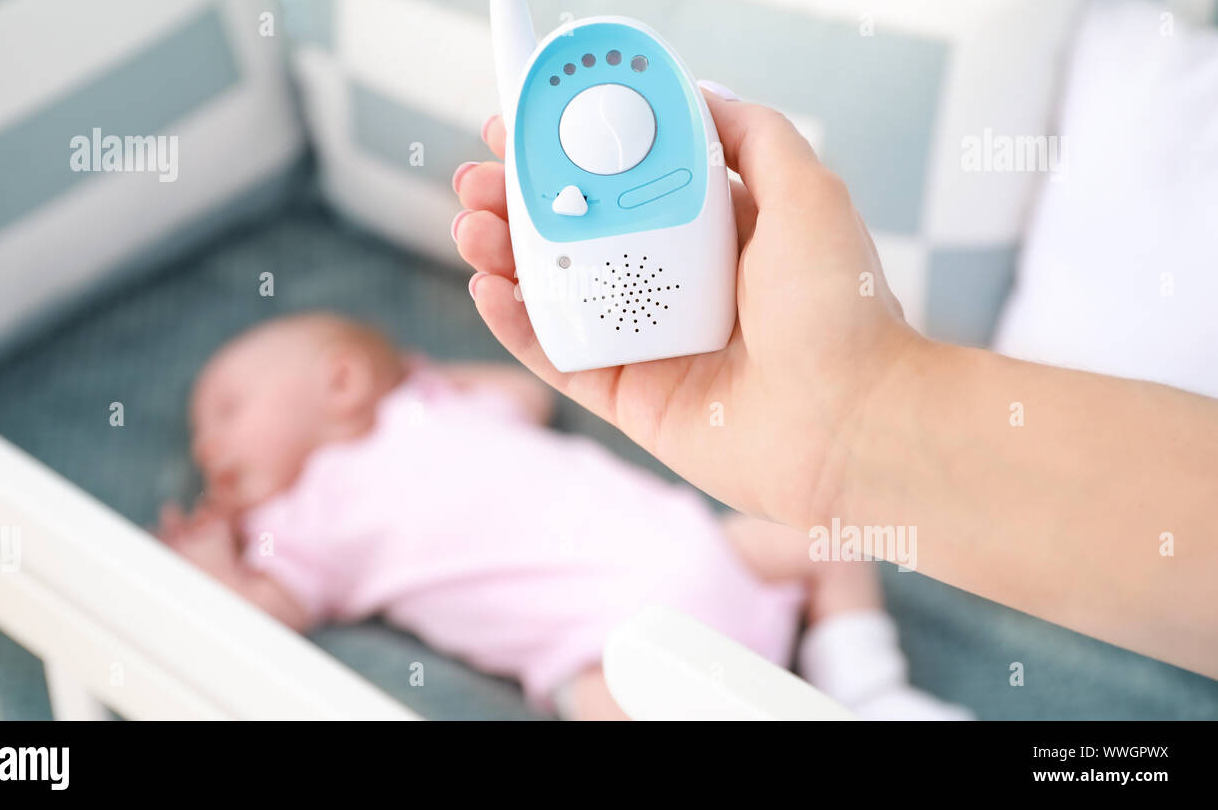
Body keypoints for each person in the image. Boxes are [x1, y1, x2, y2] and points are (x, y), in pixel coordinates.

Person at [451, 82, 1218, 681]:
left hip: (672, 568)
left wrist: (857, 416)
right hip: (634, 605)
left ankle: (870, 691)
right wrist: (858, 419)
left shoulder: (413, 413)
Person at [157, 313, 968, 719]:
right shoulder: (298, 525)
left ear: (340, 384)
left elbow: (522, 395)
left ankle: (870, 689)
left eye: (226, 411)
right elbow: (274, 612)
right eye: (201, 440)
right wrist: (221, 572)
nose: (207, 446)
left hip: (701, 553)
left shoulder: (435, 403)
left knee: (824, 541)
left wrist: (407, 374)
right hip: (602, 648)